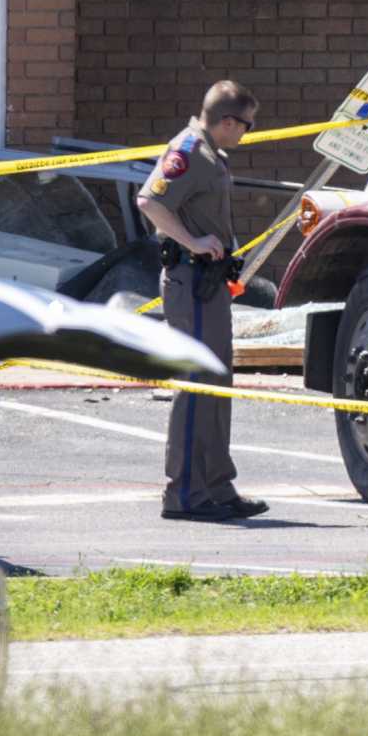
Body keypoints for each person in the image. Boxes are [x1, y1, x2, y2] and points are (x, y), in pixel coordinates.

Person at [138, 80, 269, 522]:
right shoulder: (190, 150)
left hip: (206, 283)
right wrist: (193, 241)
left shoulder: (210, 152)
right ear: (228, 121)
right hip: (189, 282)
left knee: (216, 384)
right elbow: (150, 202)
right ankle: (184, 494)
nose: (245, 135)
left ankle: (216, 486)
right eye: (245, 127)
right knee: (196, 387)